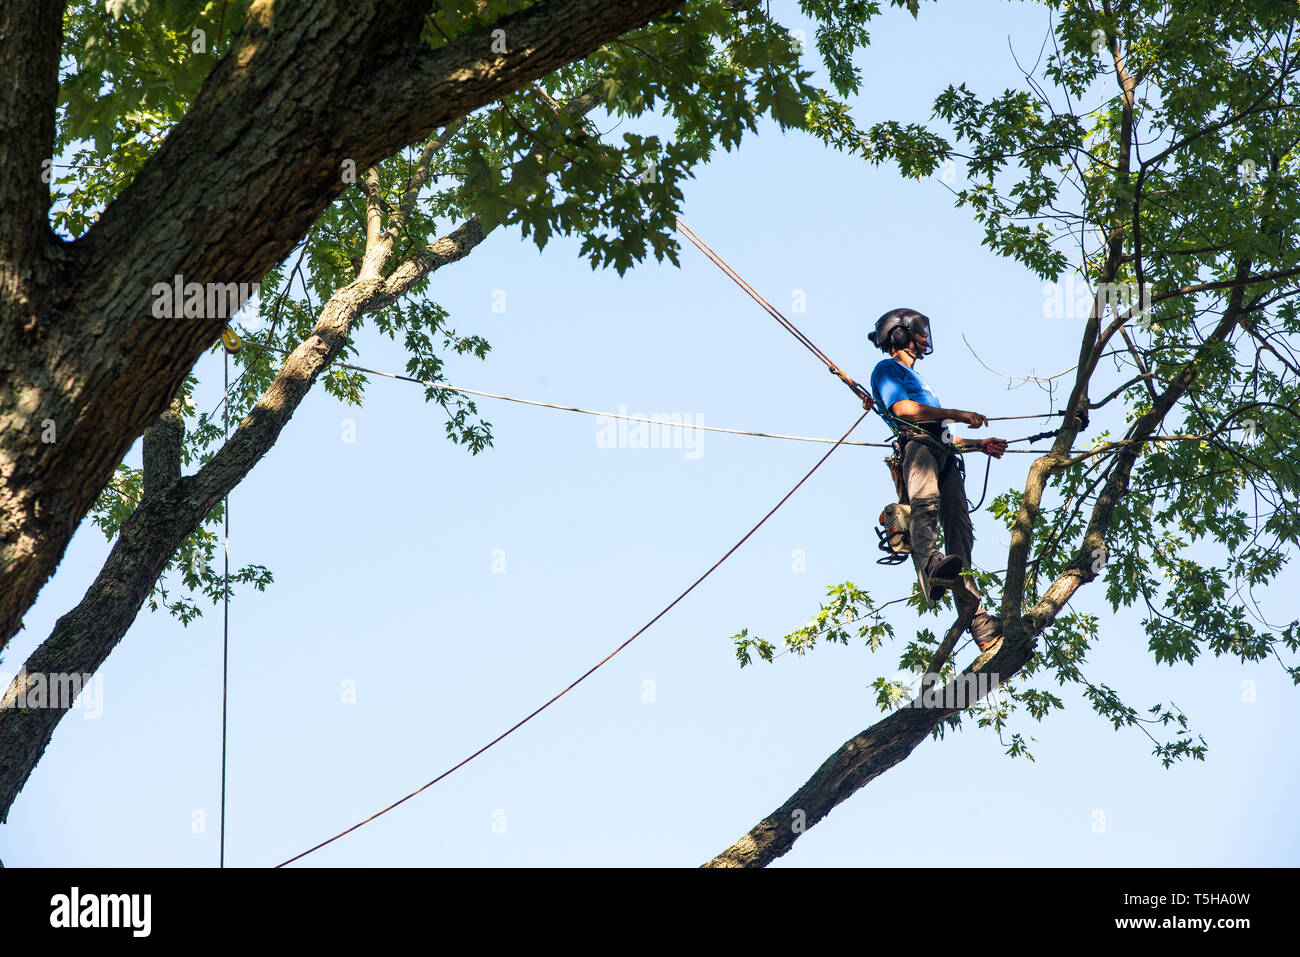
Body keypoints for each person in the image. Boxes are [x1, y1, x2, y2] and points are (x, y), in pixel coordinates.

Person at [868, 307, 1007, 653]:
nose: (925, 337)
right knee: (925, 504)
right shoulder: (888, 370)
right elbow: (903, 411)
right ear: (900, 335)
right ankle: (931, 562)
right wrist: (957, 413)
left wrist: (978, 444)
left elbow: (942, 433)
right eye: (919, 330)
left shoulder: (920, 382)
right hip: (918, 449)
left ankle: (980, 622)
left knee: (961, 529)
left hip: (942, 452)